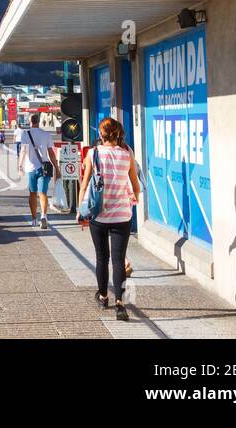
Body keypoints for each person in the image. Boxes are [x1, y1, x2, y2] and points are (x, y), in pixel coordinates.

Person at [79, 116, 140, 322]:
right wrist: (132, 201)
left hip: (99, 215)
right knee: (118, 260)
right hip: (123, 216)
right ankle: (121, 305)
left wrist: (81, 211)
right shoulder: (127, 153)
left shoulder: (92, 153)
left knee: (101, 258)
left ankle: (103, 296)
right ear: (118, 133)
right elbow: (135, 185)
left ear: (101, 135)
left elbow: (85, 182)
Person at [16, 114, 59, 228]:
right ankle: (43, 216)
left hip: (31, 168)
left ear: (29, 121)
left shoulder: (25, 134)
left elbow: (23, 151)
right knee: (43, 193)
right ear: (39, 121)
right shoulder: (46, 134)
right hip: (44, 168)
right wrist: (56, 167)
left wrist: (20, 165)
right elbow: (51, 153)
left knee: (32, 194)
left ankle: (34, 219)